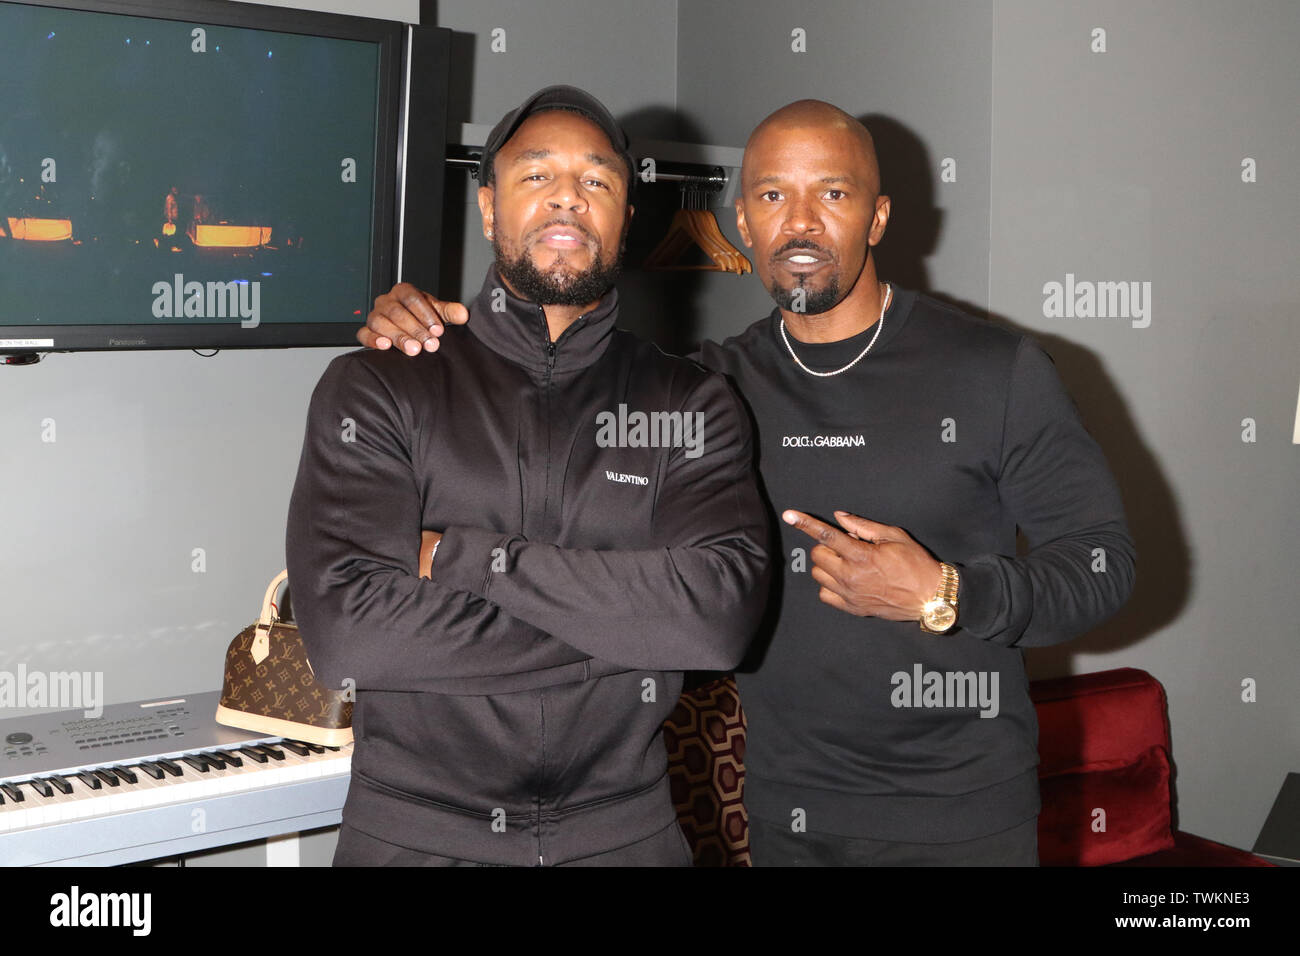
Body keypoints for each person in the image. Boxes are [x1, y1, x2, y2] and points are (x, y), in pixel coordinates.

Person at [358, 98, 1136, 866]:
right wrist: (424, 328)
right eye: (772, 196)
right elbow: (559, 388)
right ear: (742, 223)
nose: (799, 223)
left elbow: (1104, 564)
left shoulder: (995, 371)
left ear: (879, 217)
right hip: (786, 809)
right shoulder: (709, 388)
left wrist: (948, 595)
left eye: (831, 194)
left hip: (961, 818)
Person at [286, 85, 770, 867]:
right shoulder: (379, 385)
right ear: (487, 207)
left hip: (628, 839)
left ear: (626, 218)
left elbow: (717, 622)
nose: (568, 200)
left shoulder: (692, 401)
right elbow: (350, 636)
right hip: (411, 839)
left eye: (598, 181)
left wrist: (455, 558)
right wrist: (636, 627)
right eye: (536, 175)